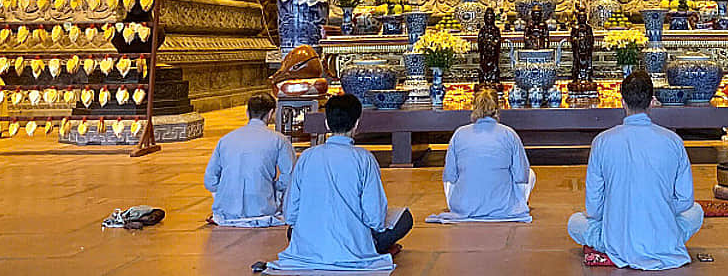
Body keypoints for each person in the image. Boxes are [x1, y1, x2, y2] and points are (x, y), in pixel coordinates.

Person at [567, 71, 703, 269]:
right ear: (652, 102)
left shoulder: (602, 141)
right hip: (662, 237)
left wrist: (622, 211)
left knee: (575, 222)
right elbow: (685, 201)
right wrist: (655, 210)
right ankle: (665, 238)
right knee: (696, 212)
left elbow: (594, 210)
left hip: (617, 240)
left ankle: (622, 243)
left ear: (622, 101)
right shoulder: (673, 141)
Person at [264, 94, 413, 273]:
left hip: (308, 247)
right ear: (357, 124)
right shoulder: (364, 158)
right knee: (405, 218)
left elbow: (290, 215)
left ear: (327, 123)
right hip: (353, 248)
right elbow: (374, 218)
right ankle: (370, 247)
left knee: (294, 231)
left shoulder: (307, 157)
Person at [428, 89, 535, 223]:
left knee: (452, 176)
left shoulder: (459, 133)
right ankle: (516, 204)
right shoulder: (509, 134)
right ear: (497, 108)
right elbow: (521, 176)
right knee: (529, 173)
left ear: (474, 108)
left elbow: (450, 175)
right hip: (503, 206)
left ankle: (460, 205)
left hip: (464, 206)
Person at [203, 93, 295, 227]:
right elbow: (290, 177)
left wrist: (227, 189)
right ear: (271, 114)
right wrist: (274, 188)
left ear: (247, 113)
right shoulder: (279, 140)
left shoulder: (226, 139)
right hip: (262, 210)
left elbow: (210, 181)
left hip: (227, 213)